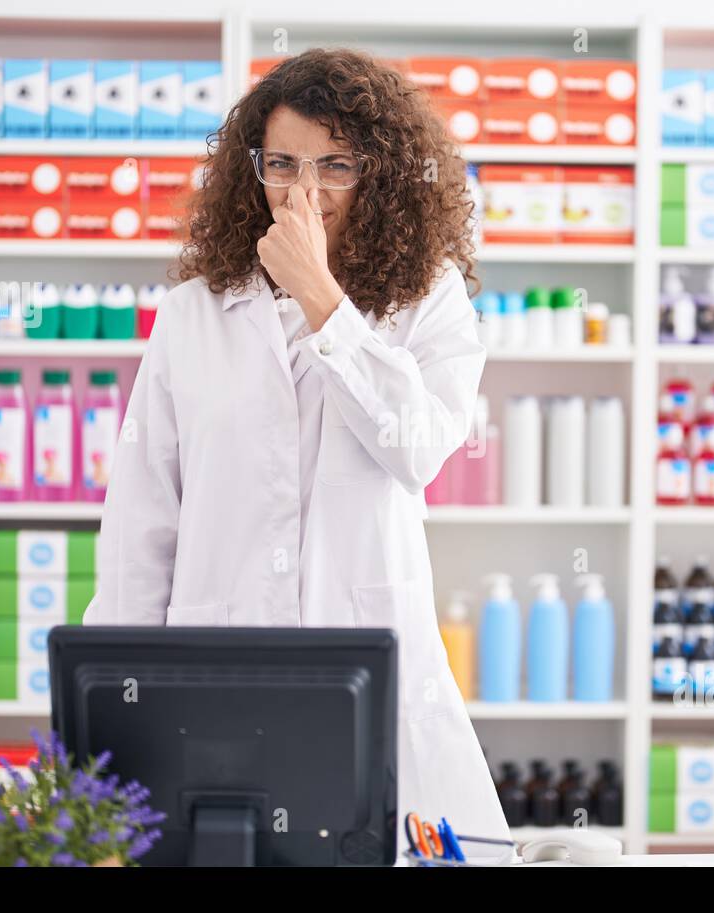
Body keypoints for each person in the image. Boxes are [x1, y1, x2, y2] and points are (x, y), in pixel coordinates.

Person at [83, 48, 510, 848]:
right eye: (280, 164)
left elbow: (416, 448)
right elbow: (144, 520)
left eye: (335, 167)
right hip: (212, 678)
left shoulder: (429, 303)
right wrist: (112, 702)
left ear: (381, 173)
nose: (303, 193)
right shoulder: (193, 314)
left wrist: (322, 297)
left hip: (372, 678)